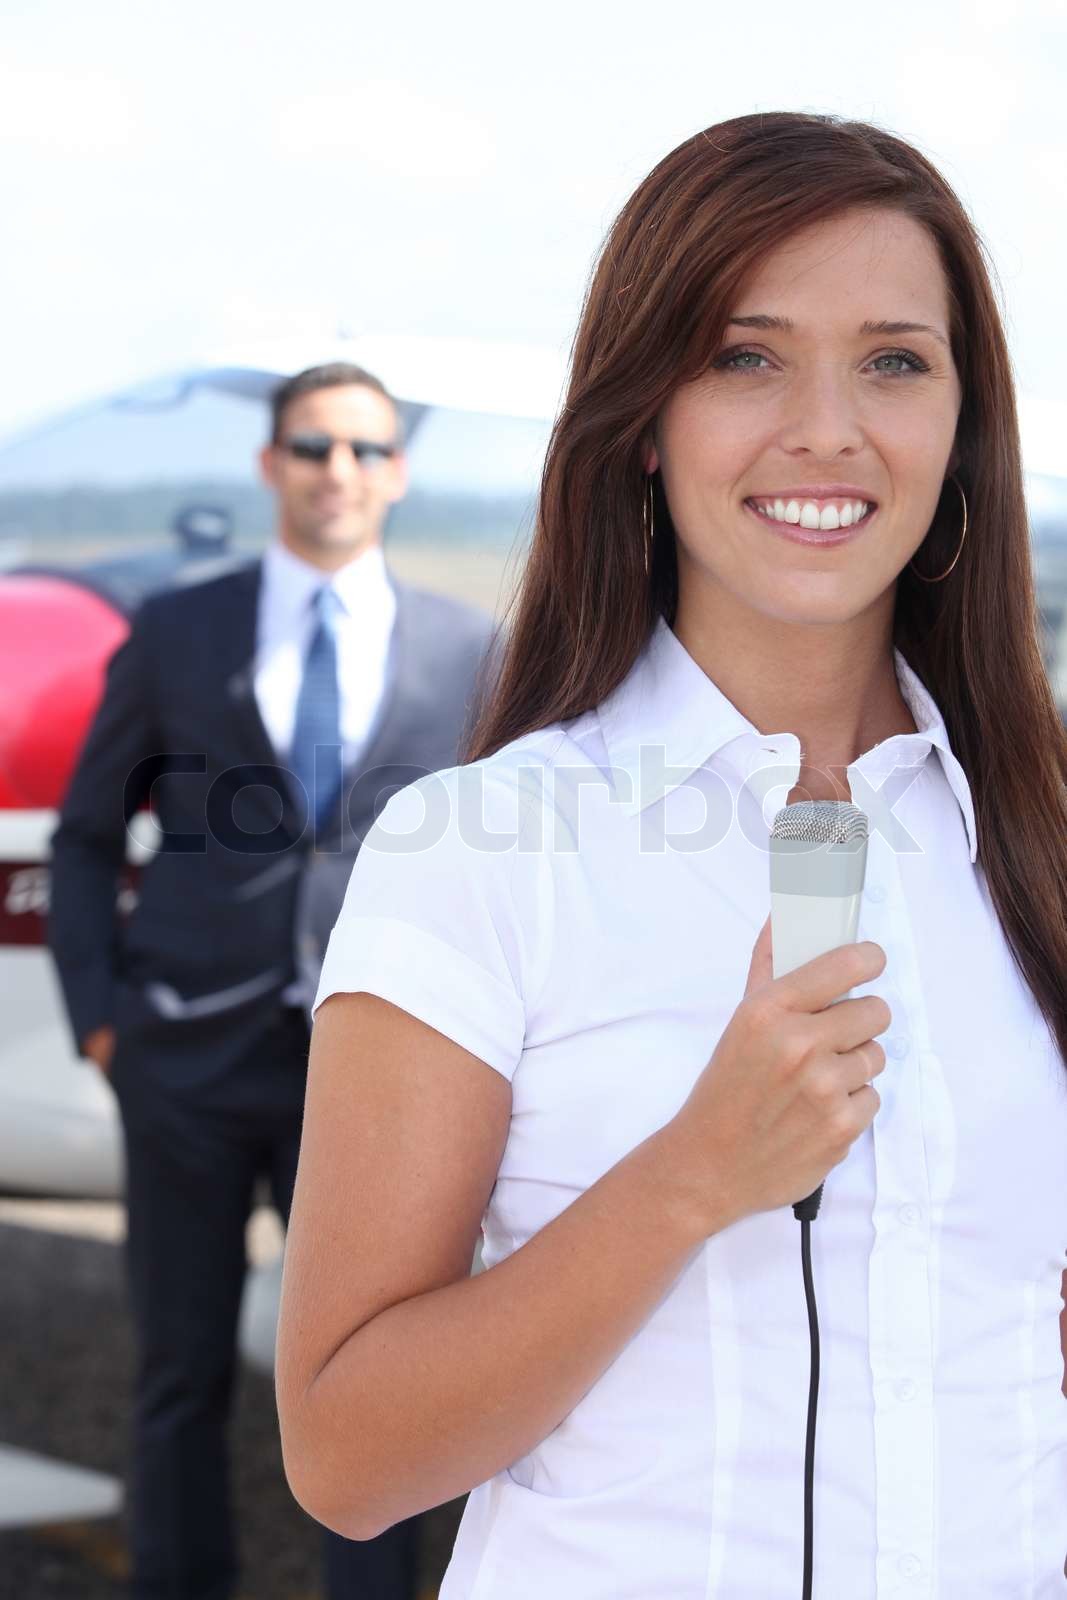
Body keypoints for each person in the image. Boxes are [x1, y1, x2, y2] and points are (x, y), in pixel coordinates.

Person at [275, 116, 1067, 1598]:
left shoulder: (1034, 837)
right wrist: (692, 1178)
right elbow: (345, 1458)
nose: (826, 426)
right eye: (740, 355)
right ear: (641, 415)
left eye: (893, 360)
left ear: (963, 422)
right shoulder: (480, 850)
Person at [48, 360, 496, 1600]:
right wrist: (101, 1023)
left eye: (361, 449)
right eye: (310, 447)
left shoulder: (469, 648)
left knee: (373, 1384)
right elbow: (90, 835)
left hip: (374, 1079)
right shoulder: (179, 628)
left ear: (397, 472)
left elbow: (509, 858)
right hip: (183, 1056)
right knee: (178, 1373)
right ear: (269, 466)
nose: (334, 472)